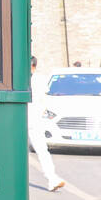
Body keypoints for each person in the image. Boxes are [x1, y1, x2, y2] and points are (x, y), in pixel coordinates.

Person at [29, 56, 64, 192]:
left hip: (33, 120)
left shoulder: (38, 79)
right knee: (41, 151)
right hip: (28, 119)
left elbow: (44, 100)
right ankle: (52, 178)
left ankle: (52, 179)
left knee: (42, 150)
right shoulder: (39, 79)